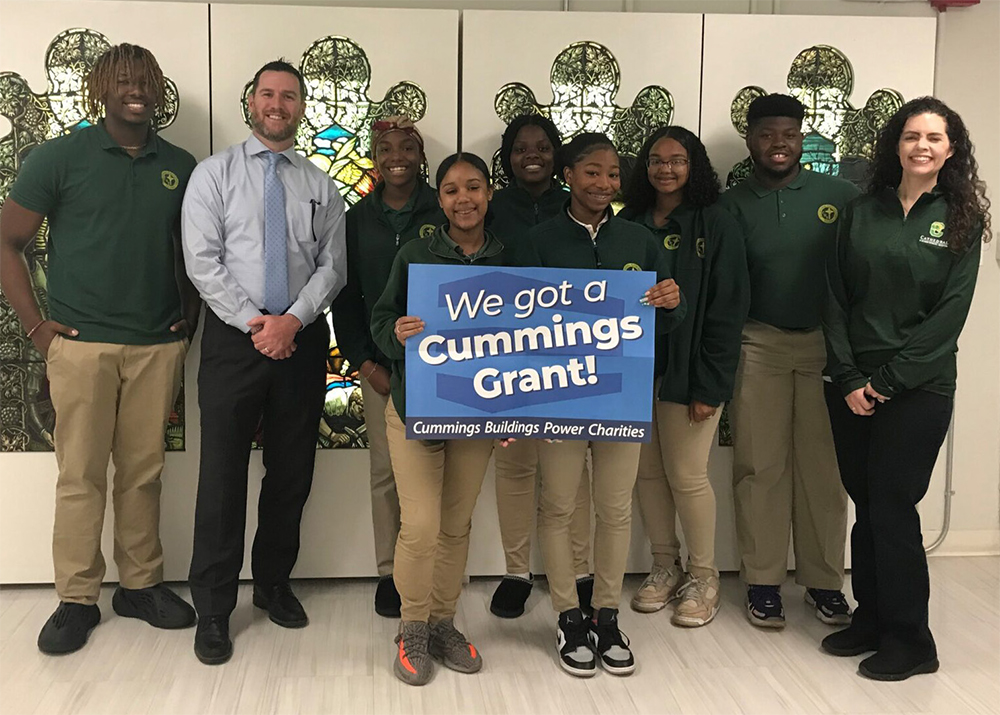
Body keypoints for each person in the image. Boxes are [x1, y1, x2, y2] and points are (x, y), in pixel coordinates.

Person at [0, 43, 198, 654]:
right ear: (101, 88)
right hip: (80, 345)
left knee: (143, 472)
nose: (135, 88)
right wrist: (36, 328)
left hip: (156, 346)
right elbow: (6, 242)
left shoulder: (182, 164)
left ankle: (139, 586)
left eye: (145, 79)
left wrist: (187, 321)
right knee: (80, 475)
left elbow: (197, 252)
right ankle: (76, 597)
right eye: (123, 79)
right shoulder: (58, 157)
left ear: (158, 89)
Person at [181, 59, 346, 665]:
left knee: (292, 471)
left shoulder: (320, 185)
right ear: (251, 101)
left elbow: (332, 266)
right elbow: (202, 261)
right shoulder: (214, 174)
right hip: (234, 340)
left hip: (300, 341)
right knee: (221, 475)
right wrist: (258, 323)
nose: (278, 104)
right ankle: (214, 608)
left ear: (301, 107)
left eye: (290, 96)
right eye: (268, 94)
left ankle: (274, 583)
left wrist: (292, 321)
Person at [821, 97, 990, 681]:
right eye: (912, 135)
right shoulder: (859, 211)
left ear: (951, 149)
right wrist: (850, 377)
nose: (922, 146)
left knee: (893, 505)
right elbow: (834, 297)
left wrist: (887, 382)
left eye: (934, 137)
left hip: (919, 387)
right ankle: (870, 620)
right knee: (866, 503)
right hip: (850, 384)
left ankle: (912, 640)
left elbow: (949, 316)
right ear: (896, 144)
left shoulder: (962, 218)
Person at [530, 133, 685, 677]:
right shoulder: (539, 241)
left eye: (613, 173)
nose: (603, 183)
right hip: (558, 393)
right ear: (568, 176)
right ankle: (568, 615)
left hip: (622, 392)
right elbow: (517, 324)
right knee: (559, 507)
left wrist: (671, 303)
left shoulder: (640, 240)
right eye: (592, 172)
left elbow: (663, 321)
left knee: (616, 509)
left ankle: (607, 614)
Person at [370, 153, 513, 686]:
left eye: (474, 187)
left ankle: (442, 622)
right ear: (440, 199)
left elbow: (529, 342)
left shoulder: (510, 257)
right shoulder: (416, 253)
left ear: (489, 193)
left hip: (477, 416)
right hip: (418, 411)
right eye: (451, 190)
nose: (464, 199)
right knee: (422, 524)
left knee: (456, 525)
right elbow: (382, 320)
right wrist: (397, 334)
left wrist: (513, 409)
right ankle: (411, 627)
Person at [718, 94, 857, 629]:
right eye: (767, 134)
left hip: (827, 344)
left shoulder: (840, 196)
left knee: (825, 468)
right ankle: (763, 581)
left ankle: (825, 583)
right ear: (750, 139)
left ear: (803, 138)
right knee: (760, 465)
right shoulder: (731, 204)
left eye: (789, 134)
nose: (779, 144)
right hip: (759, 342)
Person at [620, 126, 750, 627]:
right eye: (656, 160)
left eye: (677, 160)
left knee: (688, 475)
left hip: (690, 372)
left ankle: (704, 575)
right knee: (647, 473)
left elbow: (727, 309)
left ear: (694, 167)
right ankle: (664, 565)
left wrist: (710, 385)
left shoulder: (716, 223)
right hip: (635, 372)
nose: (666, 169)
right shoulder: (628, 221)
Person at [331, 116, 443, 619]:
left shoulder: (443, 207)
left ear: (421, 156)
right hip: (381, 366)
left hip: (444, 366)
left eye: (407, 147)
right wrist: (363, 361)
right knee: (386, 472)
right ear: (374, 159)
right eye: (385, 149)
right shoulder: (356, 219)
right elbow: (346, 297)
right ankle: (388, 572)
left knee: (441, 471)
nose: (397, 156)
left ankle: (435, 568)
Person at [487, 114, 594, 619]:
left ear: (558, 156)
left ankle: (580, 569)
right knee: (515, 464)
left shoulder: (578, 205)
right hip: (507, 352)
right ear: (507, 157)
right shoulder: (492, 207)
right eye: (520, 147)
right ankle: (517, 572)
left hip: (570, 353)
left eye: (543, 146)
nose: (532, 155)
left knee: (572, 469)